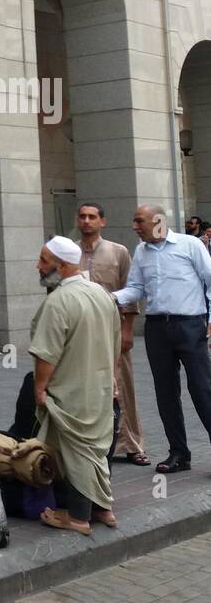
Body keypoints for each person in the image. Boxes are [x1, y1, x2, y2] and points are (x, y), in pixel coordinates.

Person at [111, 203, 211, 474]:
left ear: (157, 221)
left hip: (190, 325)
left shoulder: (190, 245)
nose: (134, 226)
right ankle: (179, 453)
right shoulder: (142, 251)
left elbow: (210, 280)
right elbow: (136, 288)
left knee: (202, 389)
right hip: (157, 329)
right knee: (165, 393)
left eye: (139, 221)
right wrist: (109, 297)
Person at [31, 237, 121, 535]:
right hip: (100, 387)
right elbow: (115, 344)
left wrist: (40, 388)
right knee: (96, 451)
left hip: (71, 391)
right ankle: (104, 509)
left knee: (77, 452)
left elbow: (46, 353)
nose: (38, 266)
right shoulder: (101, 294)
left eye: (44, 260)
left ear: (63, 266)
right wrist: (113, 378)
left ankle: (79, 517)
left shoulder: (58, 301)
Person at [75, 202, 148, 466]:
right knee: (83, 385)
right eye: (82, 216)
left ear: (102, 221)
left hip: (113, 329)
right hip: (80, 331)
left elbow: (131, 292)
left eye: (92, 217)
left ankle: (132, 445)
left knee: (121, 385)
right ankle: (90, 444)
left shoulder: (118, 252)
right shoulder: (70, 253)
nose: (87, 221)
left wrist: (127, 331)